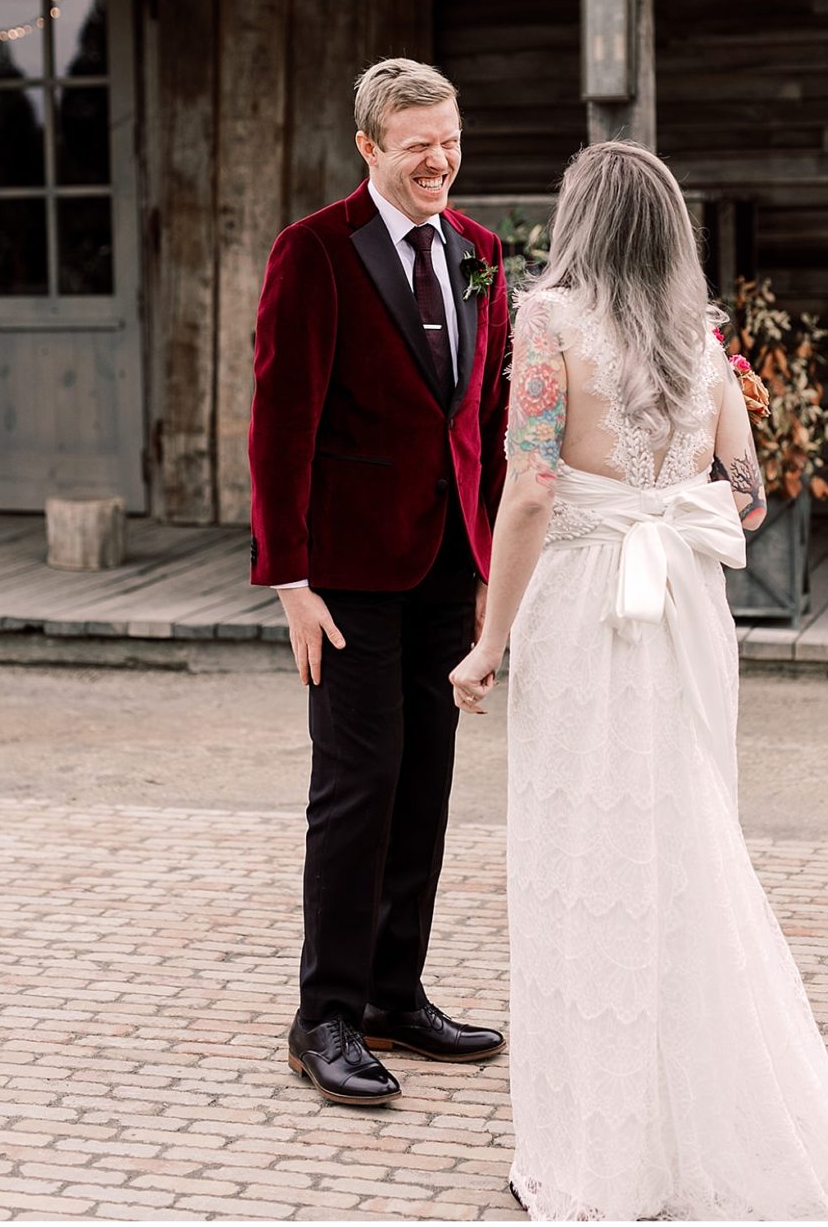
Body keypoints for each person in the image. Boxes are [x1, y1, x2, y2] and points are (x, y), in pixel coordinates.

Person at [449, 140, 828, 1219]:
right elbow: (744, 490)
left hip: (591, 604)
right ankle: (680, 1127)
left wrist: (488, 639)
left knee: (580, 857)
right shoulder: (698, 340)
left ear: (580, 223)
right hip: (684, 607)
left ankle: (601, 1155)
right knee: (679, 842)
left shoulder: (548, 327)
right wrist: (668, 501)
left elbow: (528, 493)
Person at [248, 59, 512, 1105]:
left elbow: (486, 423)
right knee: (355, 790)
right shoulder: (311, 252)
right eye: (415, 146)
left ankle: (393, 996)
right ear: (368, 149)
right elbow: (279, 423)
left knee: (424, 786)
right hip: (345, 577)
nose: (437, 160)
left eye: (446, 139)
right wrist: (289, 580)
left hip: (449, 564)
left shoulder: (483, 253)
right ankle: (322, 1015)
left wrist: (491, 562)